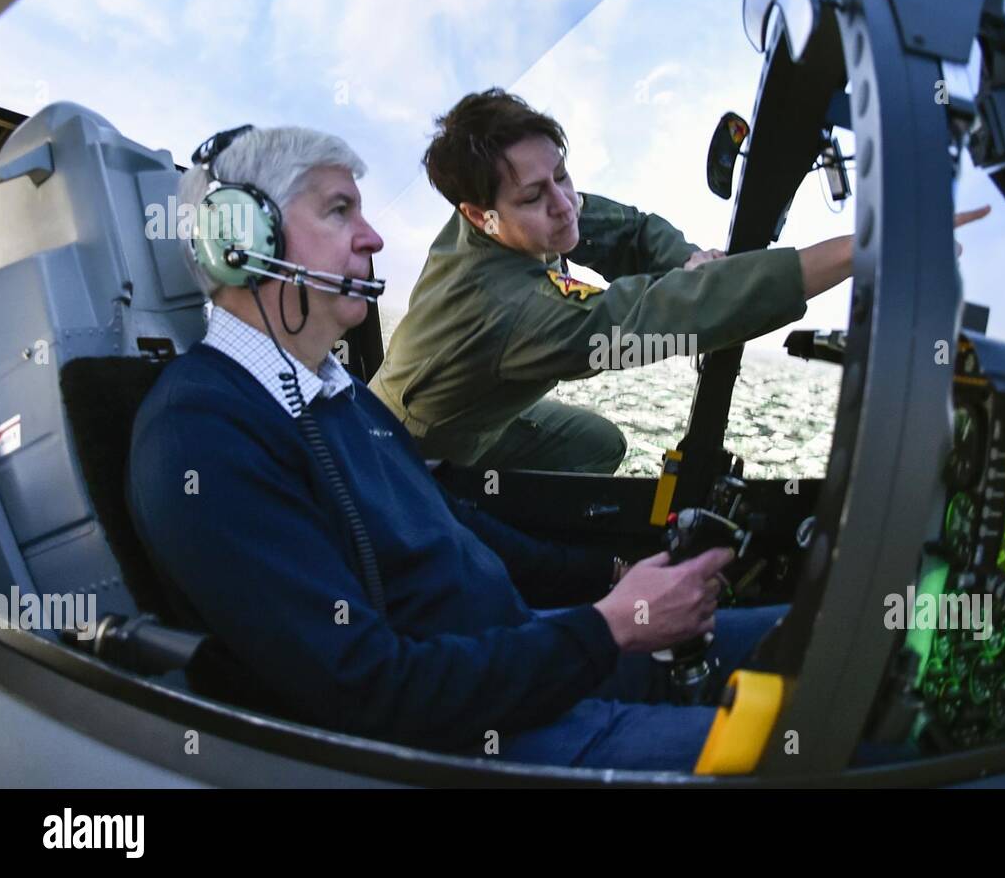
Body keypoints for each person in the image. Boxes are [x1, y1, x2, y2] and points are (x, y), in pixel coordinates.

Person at [126, 124, 786, 771]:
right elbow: (368, 690)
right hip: (468, 736)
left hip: (519, 660)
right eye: (338, 210)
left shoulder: (335, 394)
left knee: (817, 642)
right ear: (240, 242)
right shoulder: (200, 434)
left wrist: (604, 580)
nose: (374, 235)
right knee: (818, 744)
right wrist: (610, 628)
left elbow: (451, 521)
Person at [369, 88, 860, 474]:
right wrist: (858, 250)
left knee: (596, 445)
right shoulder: (508, 307)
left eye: (561, 176)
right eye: (534, 196)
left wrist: (692, 262)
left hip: (469, 417)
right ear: (479, 217)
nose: (565, 205)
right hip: (404, 456)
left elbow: (630, 231)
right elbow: (652, 320)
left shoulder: (507, 212)